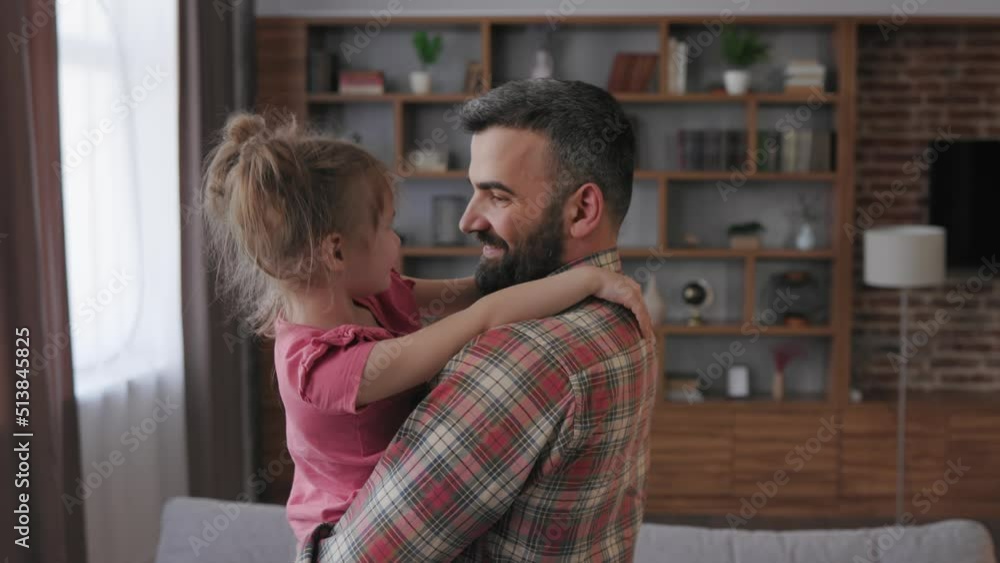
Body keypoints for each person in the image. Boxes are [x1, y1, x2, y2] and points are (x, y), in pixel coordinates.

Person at [200, 111, 653, 548]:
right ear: (336, 252)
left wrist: (530, 261)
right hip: (347, 530)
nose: (398, 241)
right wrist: (588, 280)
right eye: (388, 228)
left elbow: (470, 291)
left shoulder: (367, 295)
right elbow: (482, 316)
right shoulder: (329, 370)